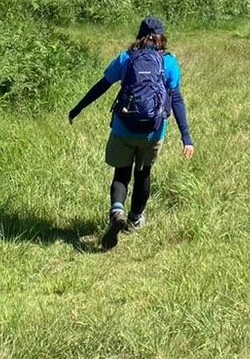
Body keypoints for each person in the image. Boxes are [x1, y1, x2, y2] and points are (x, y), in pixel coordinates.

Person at [68, 16, 194, 247]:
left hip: (123, 128)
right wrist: (186, 137)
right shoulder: (169, 63)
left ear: (139, 35)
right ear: (161, 37)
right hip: (153, 132)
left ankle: (117, 212)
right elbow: (176, 99)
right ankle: (135, 220)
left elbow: (102, 85)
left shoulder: (126, 59)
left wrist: (78, 108)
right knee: (143, 174)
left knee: (121, 173)